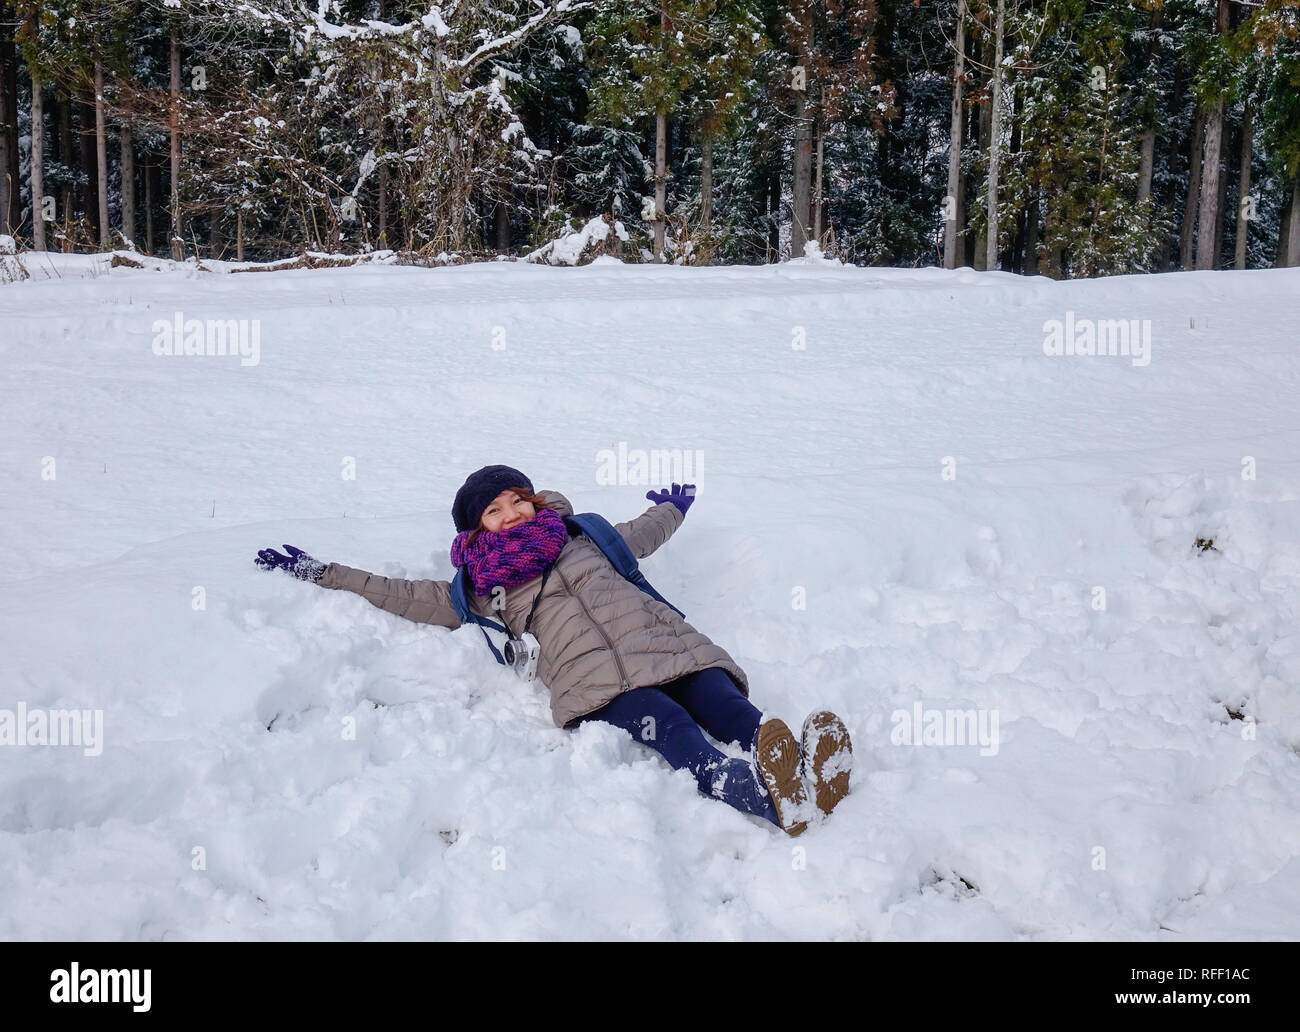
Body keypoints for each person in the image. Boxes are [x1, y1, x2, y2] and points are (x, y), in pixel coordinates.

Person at [254, 464, 852, 835]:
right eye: (495, 509)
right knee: (671, 725)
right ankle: (761, 797)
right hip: (594, 683)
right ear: (476, 529)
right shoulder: (481, 586)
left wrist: (673, 506)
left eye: (518, 499)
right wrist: (324, 572)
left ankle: (798, 764)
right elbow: (405, 594)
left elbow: (641, 535)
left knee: (722, 699)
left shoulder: (582, 533)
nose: (512, 513)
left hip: (662, 642)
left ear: (535, 500)